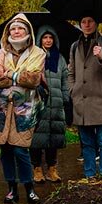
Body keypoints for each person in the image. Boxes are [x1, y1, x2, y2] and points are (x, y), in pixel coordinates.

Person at [0, 14, 46, 203]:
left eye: (20, 29)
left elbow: (33, 79)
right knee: (6, 150)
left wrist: (8, 74)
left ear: (28, 32)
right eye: (13, 29)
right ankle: (11, 188)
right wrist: (18, 77)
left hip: (25, 110)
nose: (16, 32)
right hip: (2, 110)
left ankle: (29, 187)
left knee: (20, 150)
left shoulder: (38, 53)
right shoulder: (1, 53)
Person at [67, 15, 102, 179]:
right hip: (81, 101)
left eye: (90, 21)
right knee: (87, 143)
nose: (86, 25)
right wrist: (72, 89)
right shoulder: (74, 46)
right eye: (83, 22)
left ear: (96, 23)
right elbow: (71, 71)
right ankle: (89, 176)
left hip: (101, 101)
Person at [29, 25, 69, 183]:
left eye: (50, 37)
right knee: (37, 138)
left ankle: (52, 169)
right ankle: (37, 168)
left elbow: (65, 79)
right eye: (45, 37)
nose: (48, 40)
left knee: (54, 137)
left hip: (57, 103)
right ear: (39, 39)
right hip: (39, 102)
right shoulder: (34, 56)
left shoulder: (60, 58)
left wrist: (65, 97)